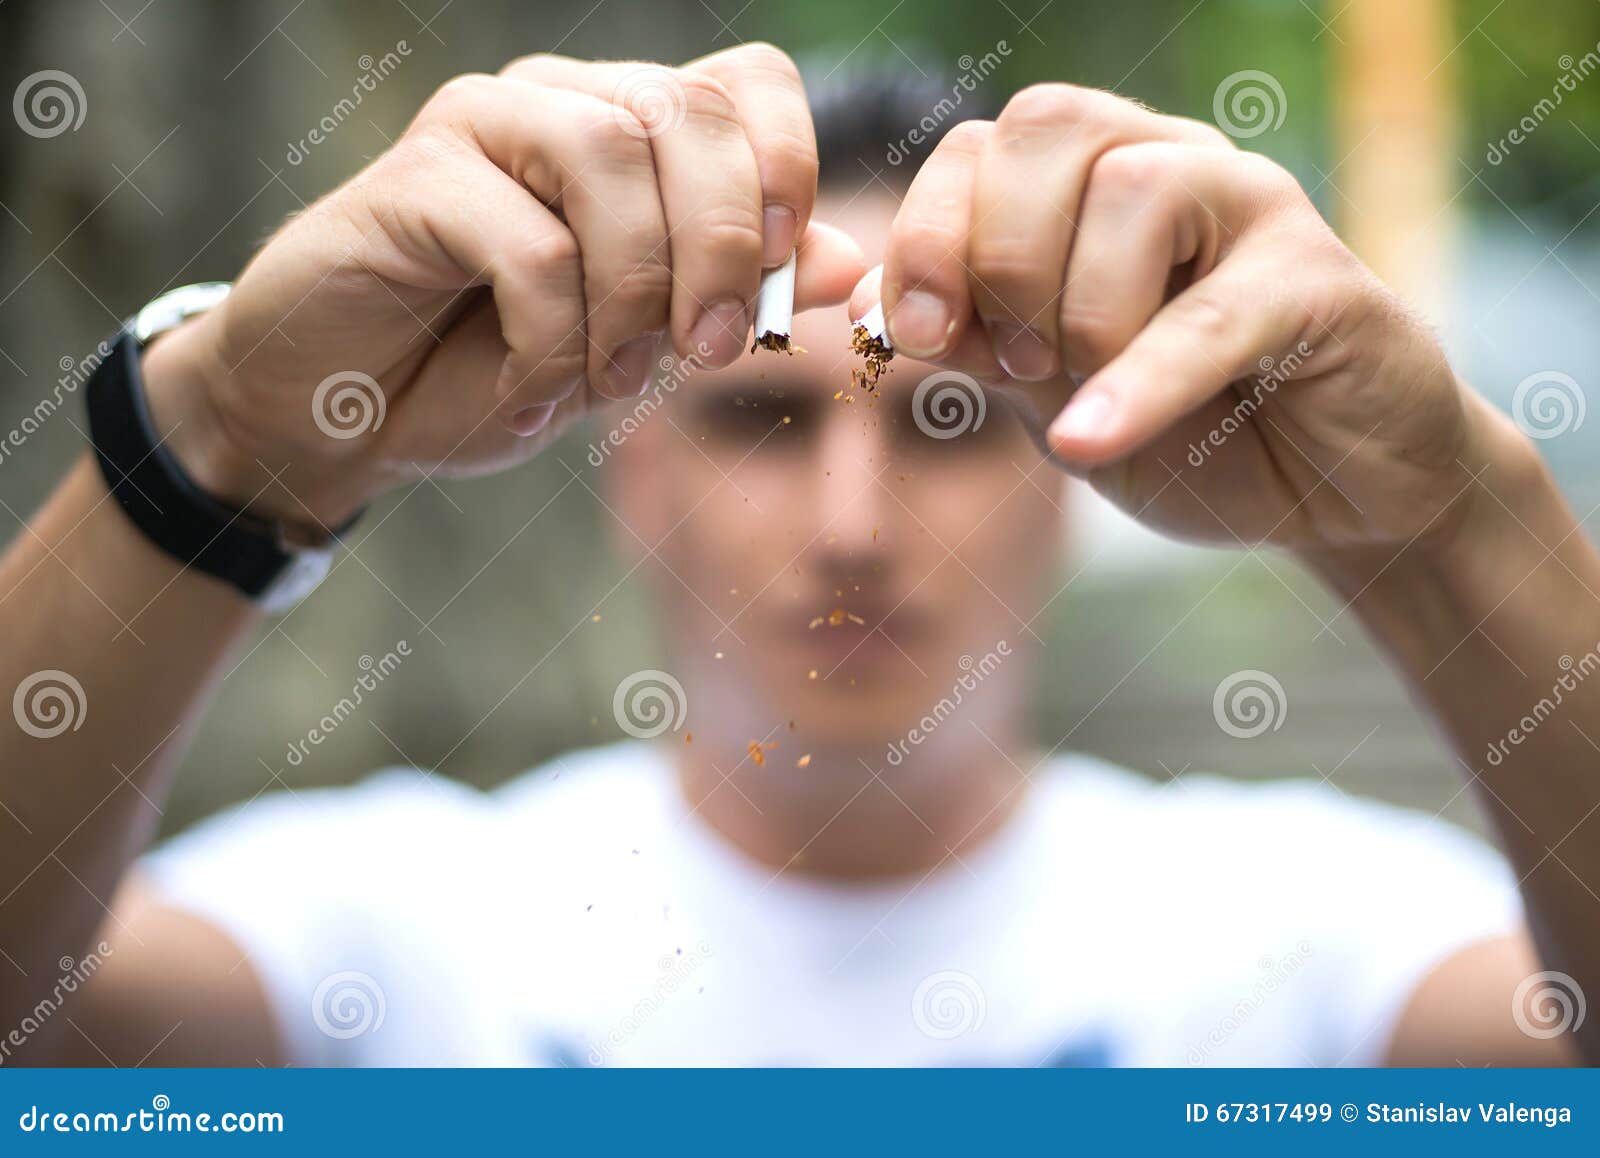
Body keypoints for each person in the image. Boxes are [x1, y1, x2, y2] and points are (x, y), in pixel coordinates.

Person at [1, 45, 1593, 1067]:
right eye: (760, 420)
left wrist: (1458, 522)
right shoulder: (384, 930)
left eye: (950, 423)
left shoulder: (1308, 939)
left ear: (1066, 481)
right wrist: (219, 441)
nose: (851, 525)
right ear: (636, 478)